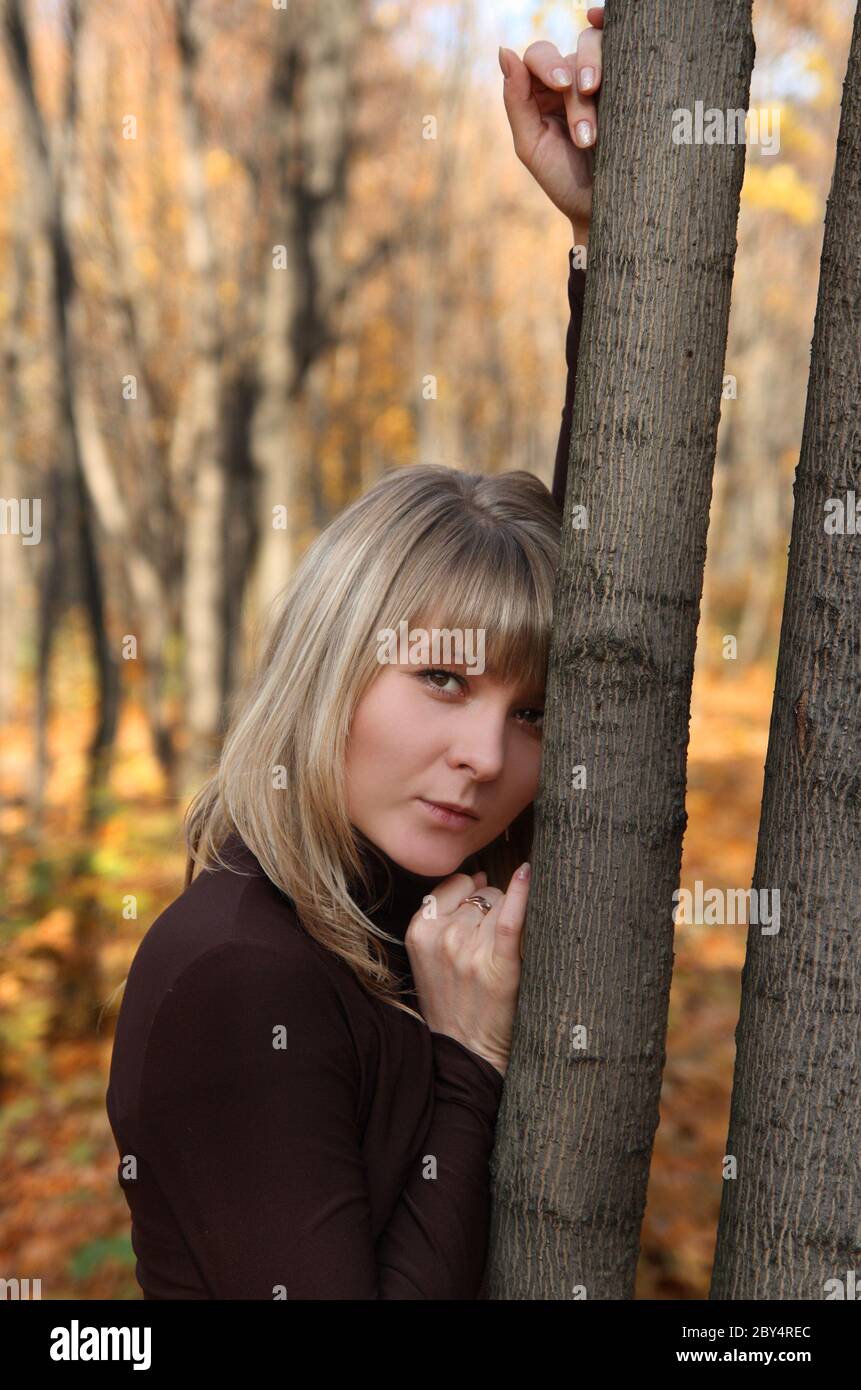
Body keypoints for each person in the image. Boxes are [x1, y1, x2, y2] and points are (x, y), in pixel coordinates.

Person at [106, 15, 604, 1301]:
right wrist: (468, 1069)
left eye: (531, 712)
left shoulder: (401, 898)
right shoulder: (240, 975)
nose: (488, 756)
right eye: (442, 680)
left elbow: (615, 560)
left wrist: (612, 238)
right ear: (333, 668)